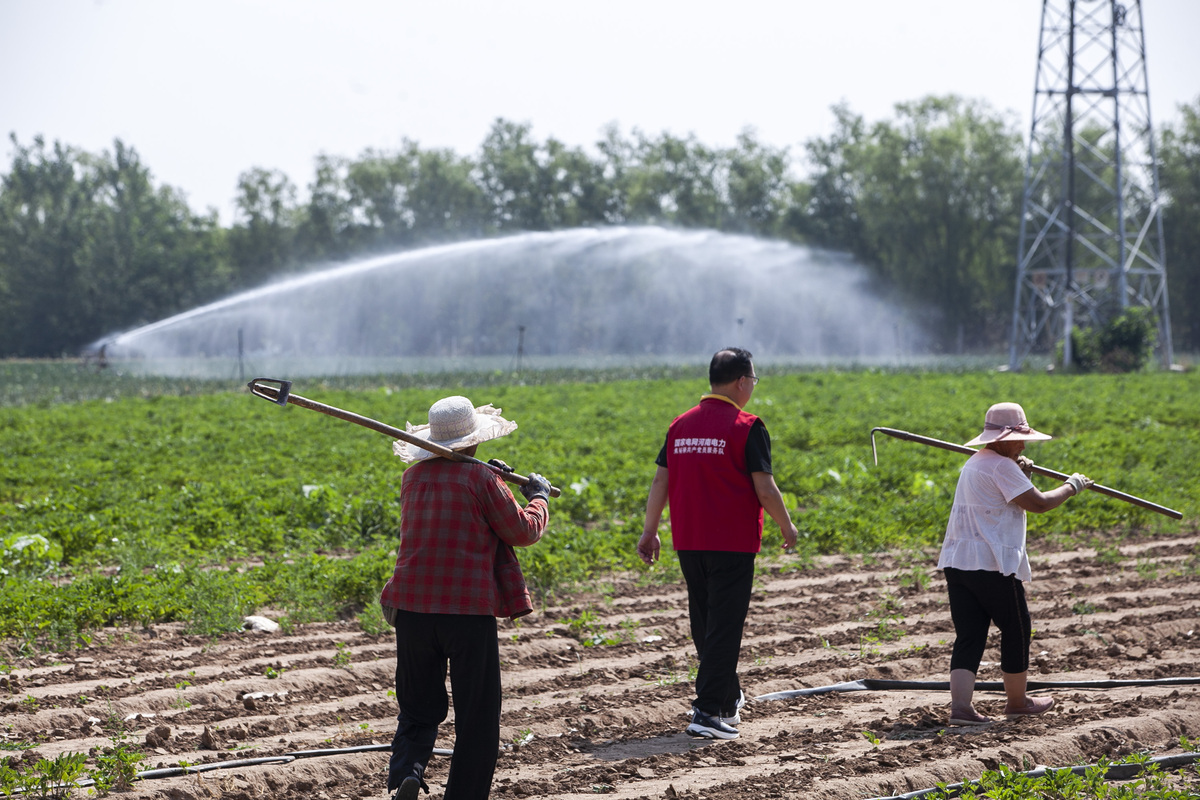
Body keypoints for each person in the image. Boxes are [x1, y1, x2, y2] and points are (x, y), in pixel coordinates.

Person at [380, 395, 553, 800]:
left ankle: (407, 772)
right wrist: (539, 496)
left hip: (412, 607)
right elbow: (522, 532)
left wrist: (491, 476)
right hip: (466, 611)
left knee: (418, 709)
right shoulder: (482, 480)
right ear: (475, 441)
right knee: (477, 720)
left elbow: (452, 501)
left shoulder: (413, 478)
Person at [637, 347, 799, 740]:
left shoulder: (680, 425)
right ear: (742, 382)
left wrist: (650, 529)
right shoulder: (748, 426)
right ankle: (707, 712)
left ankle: (727, 699)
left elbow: (661, 480)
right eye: (753, 381)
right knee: (724, 627)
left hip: (689, 540)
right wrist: (787, 526)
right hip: (733, 543)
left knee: (707, 623)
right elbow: (765, 487)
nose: (752, 388)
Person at [937, 401, 1093, 726]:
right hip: (991, 564)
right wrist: (1071, 486)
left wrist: (1023, 473)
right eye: (1019, 438)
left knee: (970, 634)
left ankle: (961, 708)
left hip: (958, 562)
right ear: (1002, 437)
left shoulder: (976, 463)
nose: (1022, 444)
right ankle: (1018, 702)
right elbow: (1038, 503)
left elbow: (1006, 496)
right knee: (1017, 628)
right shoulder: (999, 466)